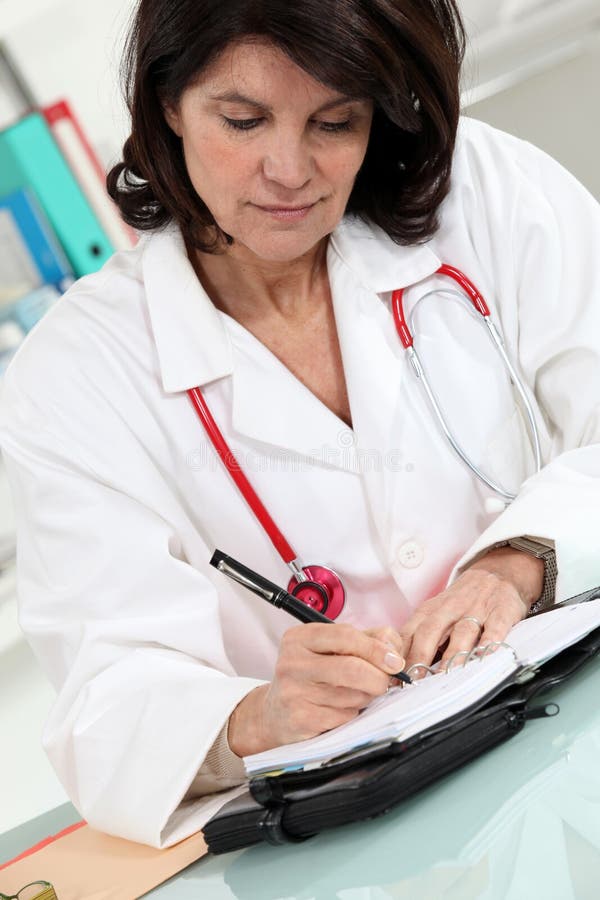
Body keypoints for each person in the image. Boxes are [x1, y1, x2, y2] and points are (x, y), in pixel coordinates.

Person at [1, 0, 599, 848]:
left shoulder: (488, 195)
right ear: (167, 104)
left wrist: (517, 562)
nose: (289, 169)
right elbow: (105, 707)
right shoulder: (77, 374)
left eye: (335, 121)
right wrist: (258, 714)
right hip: (350, 843)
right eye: (241, 120)